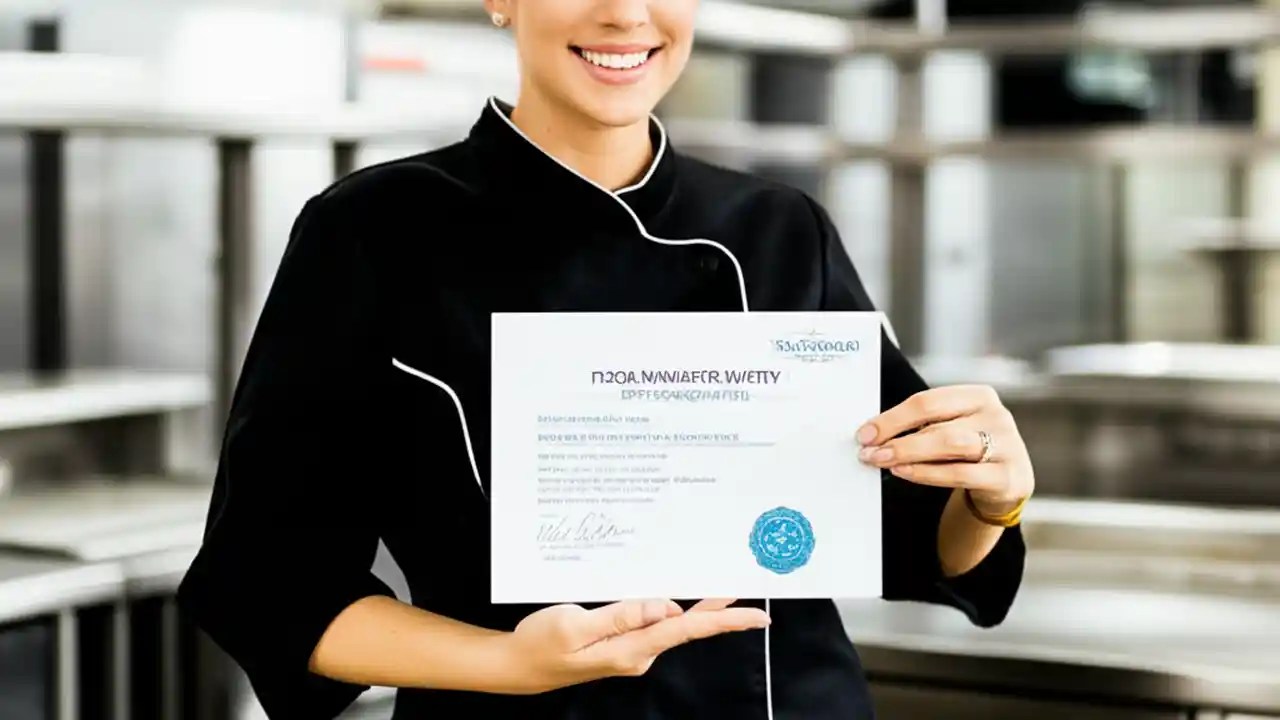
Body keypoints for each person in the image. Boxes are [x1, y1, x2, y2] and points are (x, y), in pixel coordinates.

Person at [176, 0, 1034, 718]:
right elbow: (266, 582)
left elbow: (918, 540)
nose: (625, 13)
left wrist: (991, 494)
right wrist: (508, 662)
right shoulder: (373, 232)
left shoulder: (779, 229)